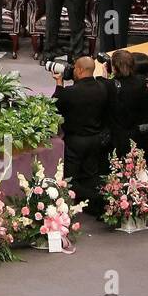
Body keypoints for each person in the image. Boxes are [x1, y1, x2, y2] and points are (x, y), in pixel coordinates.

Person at [51, 56, 116, 212]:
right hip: (96, 139)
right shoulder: (102, 88)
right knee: (91, 175)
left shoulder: (70, 92)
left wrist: (59, 84)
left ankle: (90, 202)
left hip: (75, 141)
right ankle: (95, 205)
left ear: (79, 70)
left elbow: (54, 108)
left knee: (71, 179)